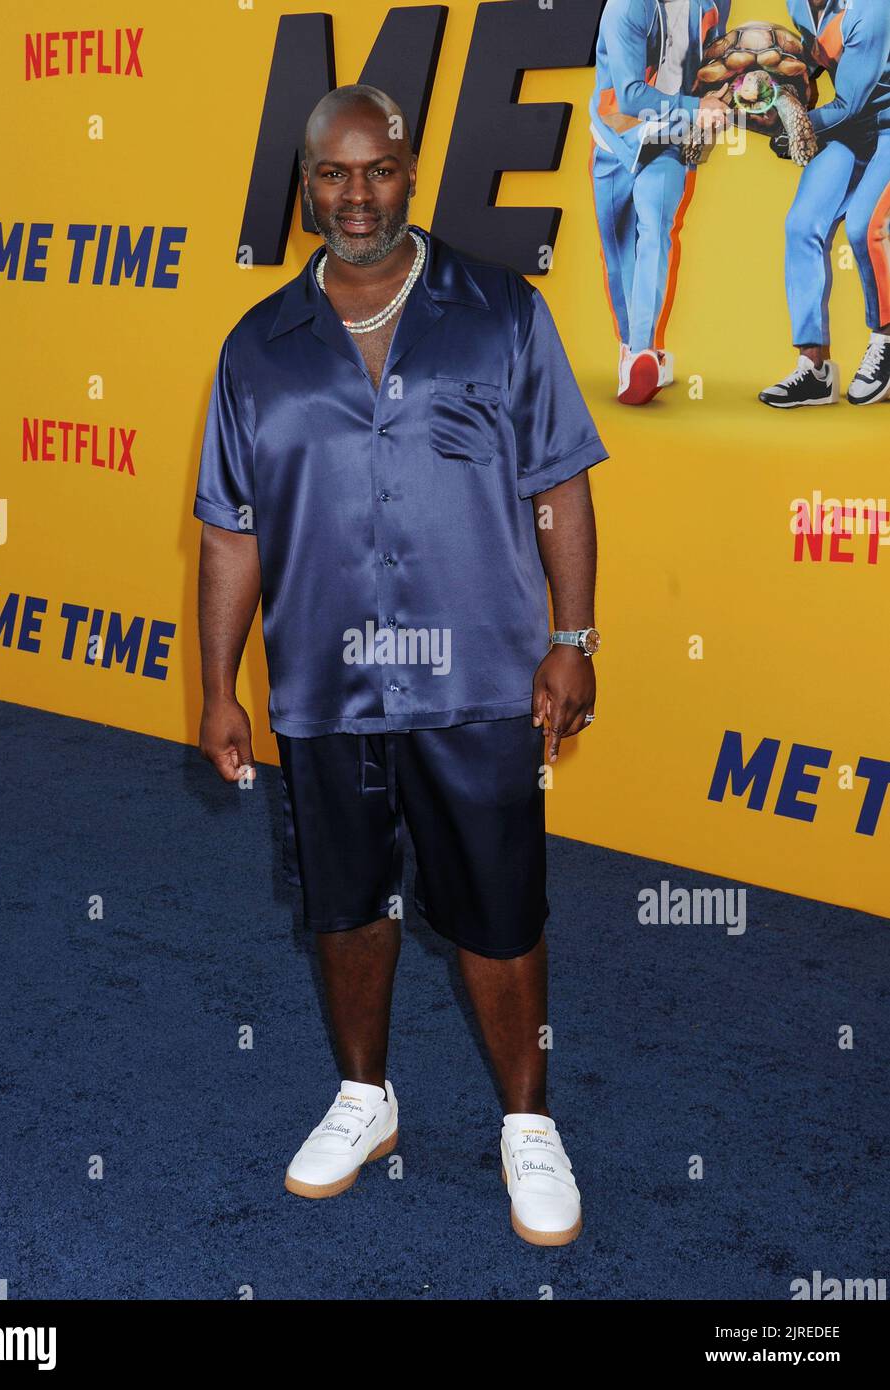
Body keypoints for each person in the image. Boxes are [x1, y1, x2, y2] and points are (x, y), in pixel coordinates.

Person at [194, 84, 608, 1246]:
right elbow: (232, 532)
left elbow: (560, 488)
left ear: (410, 173)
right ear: (307, 183)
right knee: (342, 906)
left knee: (499, 913)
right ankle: (364, 1097)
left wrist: (571, 641)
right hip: (324, 689)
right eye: (334, 173)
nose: (356, 194)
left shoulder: (499, 312)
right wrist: (218, 687)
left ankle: (527, 1123)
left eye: (377, 170)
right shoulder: (256, 346)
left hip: (477, 681)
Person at [590, 0, 732, 405]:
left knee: (655, 228)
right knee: (617, 251)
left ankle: (641, 352)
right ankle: (632, 347)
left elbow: (714, 58)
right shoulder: (625, 9)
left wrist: (727, 93)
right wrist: (697, 107)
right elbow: (632, 98)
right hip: (614, 137)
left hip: (670, 136)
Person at [760, 0, 890, 408]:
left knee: (865, 228)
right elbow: (812, 56)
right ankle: (813, 370)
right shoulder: (798, 4)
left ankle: (885, 340)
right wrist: (775, 89)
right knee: (802, 225)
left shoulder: (872, 9)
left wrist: (797, 125)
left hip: (882, 124)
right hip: (853, 128)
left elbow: (849, 103)